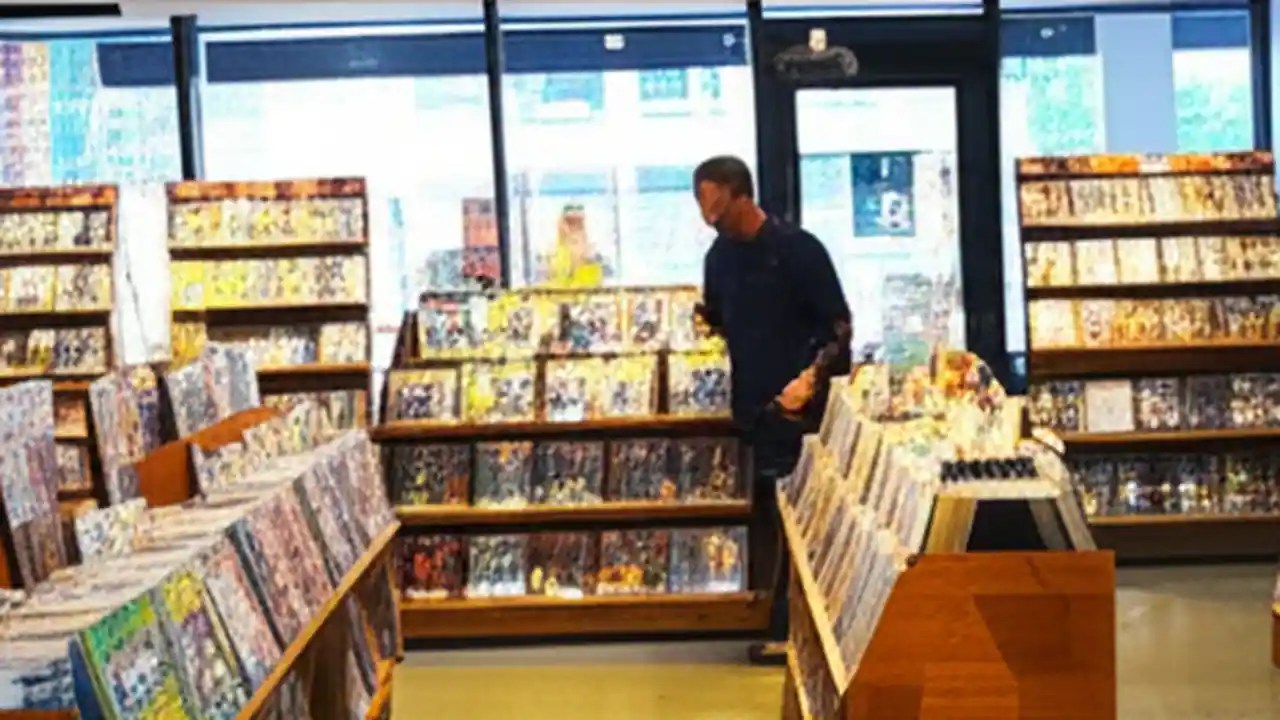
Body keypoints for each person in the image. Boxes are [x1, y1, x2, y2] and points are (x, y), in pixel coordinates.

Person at [692, 155, 852, 664]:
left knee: (798, 525)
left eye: (716, 206)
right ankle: (779, 622)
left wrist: (810, 378)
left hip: (798, 411)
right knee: (767, 524)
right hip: (751, 409)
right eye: (701, 205)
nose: (709, 218)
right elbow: (717, 315)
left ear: (743, 196)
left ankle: (795, 630)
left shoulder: (797, 250)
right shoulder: (718, 258)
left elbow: (840, 326)